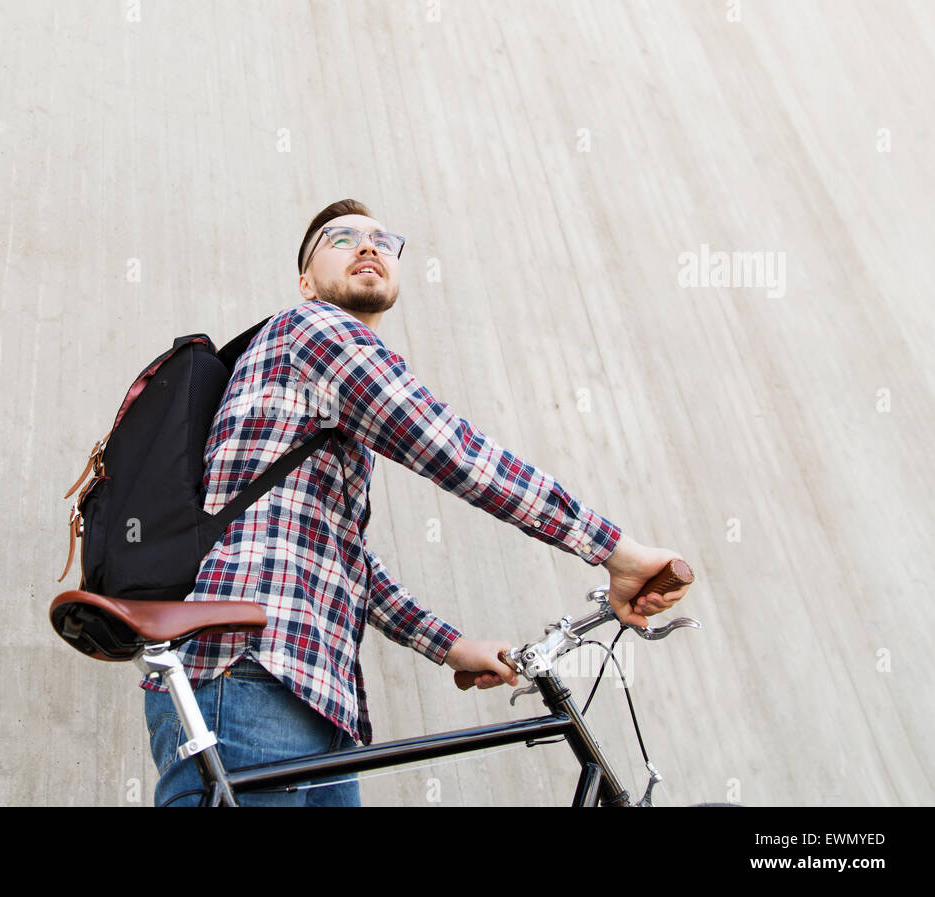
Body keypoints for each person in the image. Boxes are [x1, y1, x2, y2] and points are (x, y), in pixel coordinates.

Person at [140, 198, 690, 806]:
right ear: (304, 281)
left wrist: (448, 644)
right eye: (342, 238)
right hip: (249, 674)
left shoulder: (315, 389)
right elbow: (450, 448)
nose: (368, 245)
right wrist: (616, 550)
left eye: (382, 240)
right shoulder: (312, 330)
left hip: (313, 695)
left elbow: (344, 560)